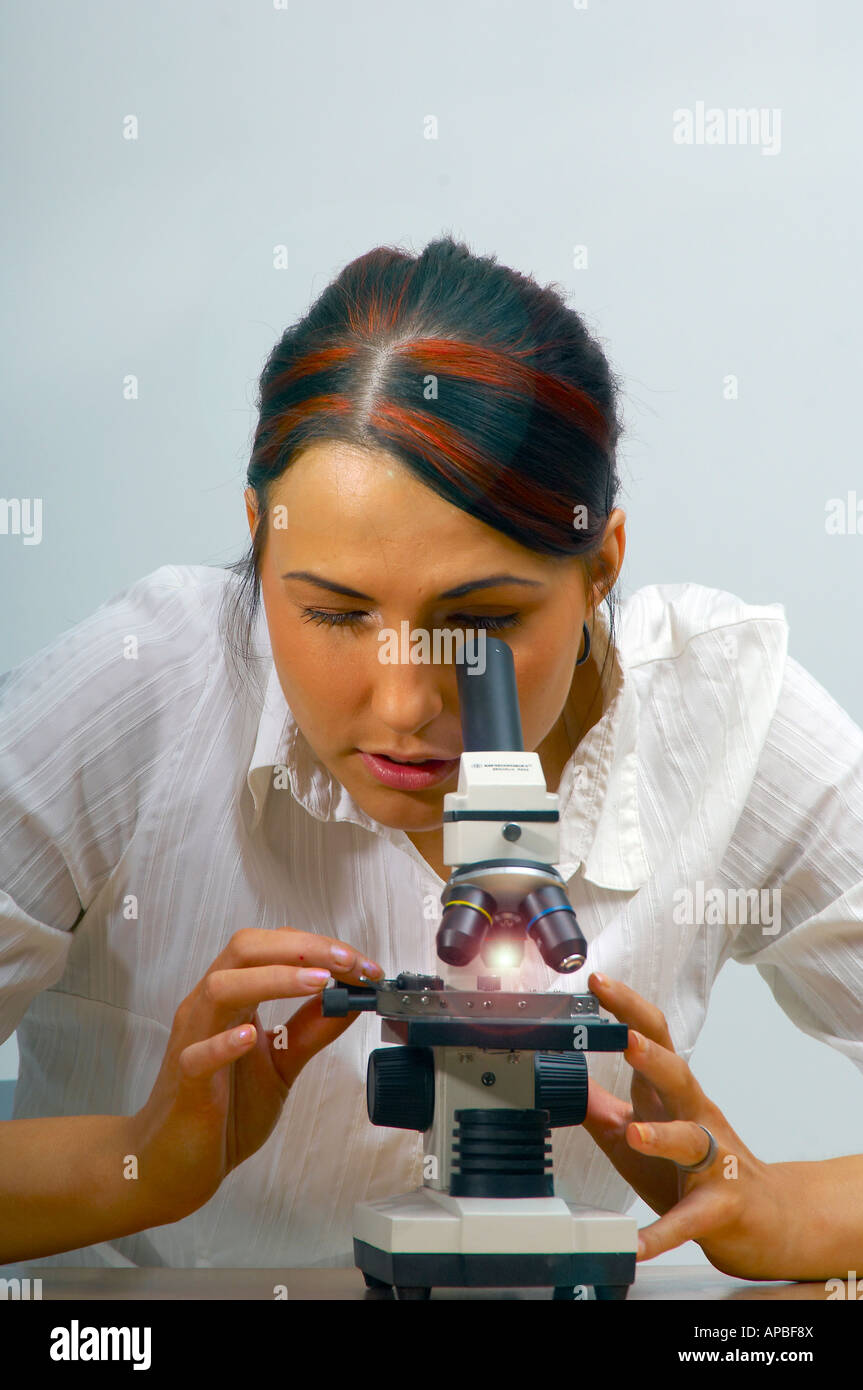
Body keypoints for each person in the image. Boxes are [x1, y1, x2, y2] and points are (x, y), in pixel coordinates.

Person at [1, 235, 862, 1276]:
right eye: (333, 611)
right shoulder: (138, 692)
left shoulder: (720, 707)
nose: (406, 703)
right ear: (256, 539)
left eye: (481, 620)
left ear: (601, 569)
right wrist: (137, 1163)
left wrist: (789, 1210)